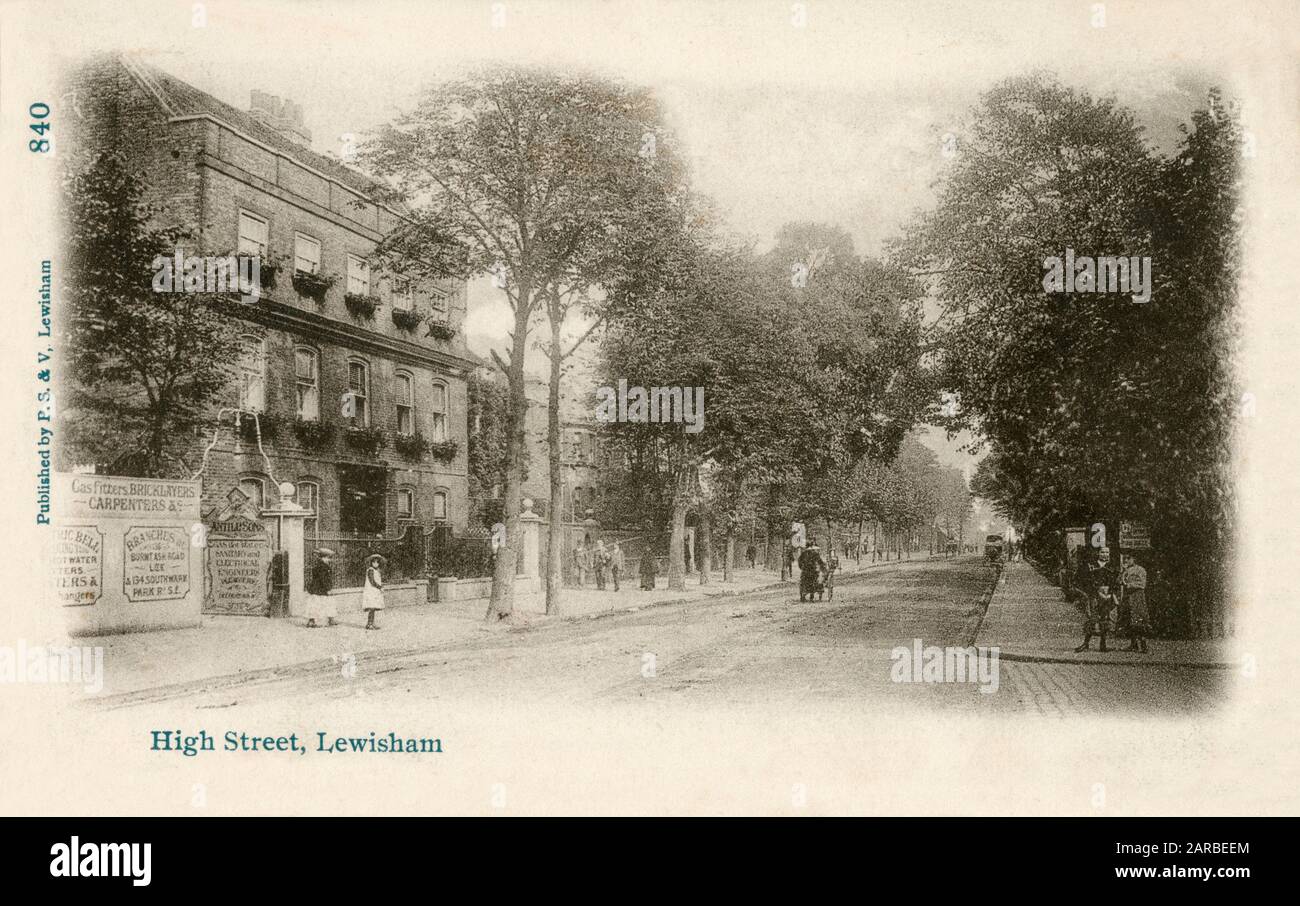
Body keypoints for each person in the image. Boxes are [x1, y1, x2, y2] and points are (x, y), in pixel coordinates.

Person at [1076, 580, 1118, 652]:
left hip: (1103, 610)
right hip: (1102, 610)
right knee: (1096, 625)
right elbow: (1115, 603)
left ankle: (1098, 644)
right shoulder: (1105, 593)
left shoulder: (1103, 593)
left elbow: (1115, 603)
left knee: (1102, 626)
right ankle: (1091, 644)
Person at [1121, 553, 1150, 653]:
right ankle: (1134, 645)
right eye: (1125, 558)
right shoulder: (1126, 570)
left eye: (1129, 558)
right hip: (1128, 597)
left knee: (1139, 620)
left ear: (1134, 559)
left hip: (1138, 596)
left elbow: (1142, 584)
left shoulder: (1140, 570)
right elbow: (1120, 581)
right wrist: (1123, 573)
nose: (1126, 560)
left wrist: (1129, 585)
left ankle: (1143, 645)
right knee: (1130, 620)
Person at [304, 548, 338, 628]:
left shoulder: (318, 565)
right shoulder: (323, 567)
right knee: (324, 603)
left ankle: (314, 621)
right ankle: (328, 620)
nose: (329, 560)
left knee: (316, 604)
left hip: (316, 588)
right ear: (323, 558)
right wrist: (328, 588)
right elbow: (324, 579)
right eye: (328, 558)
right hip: (321, 589)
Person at [362, 554, 385, 630]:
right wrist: (380, 587)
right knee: (371, 607)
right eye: (374, 562)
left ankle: (371, 623)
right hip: (371, 591)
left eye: (377, 562)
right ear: (371, 563)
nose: (376, 564)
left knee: (374, 608)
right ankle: (369, 624)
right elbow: (372, 581)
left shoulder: (376, 570)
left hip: (374, 591)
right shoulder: (370, 570)